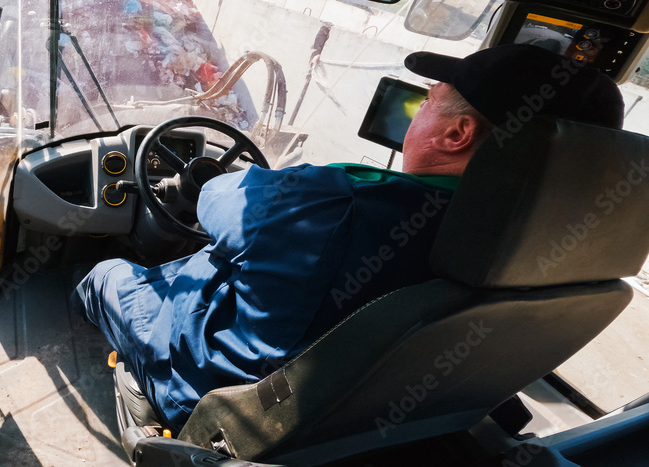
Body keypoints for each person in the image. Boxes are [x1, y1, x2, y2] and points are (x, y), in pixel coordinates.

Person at [72, 43, 626, 432]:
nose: (417, 111)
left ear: (458, 133)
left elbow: (216, 202)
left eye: (426, 100)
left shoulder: (341, 200)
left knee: (104, 273)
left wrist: (216, 180)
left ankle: (144, 393)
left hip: (217, 388)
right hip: (364, 412)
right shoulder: (554, 254)